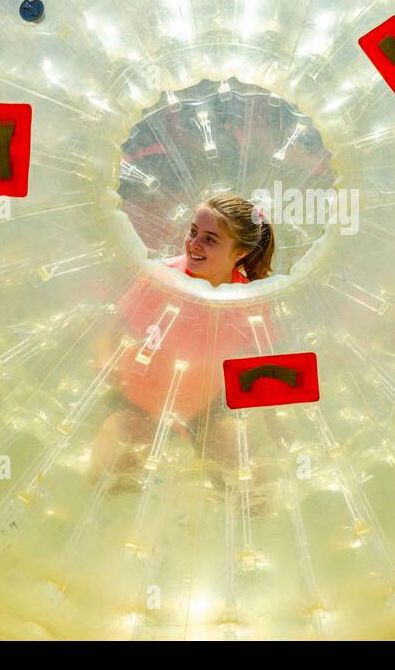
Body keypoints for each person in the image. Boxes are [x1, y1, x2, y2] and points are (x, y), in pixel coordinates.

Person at [90, 194, 275, 490]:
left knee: (253, 485)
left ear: (239, 253)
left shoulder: (249, 299)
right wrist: (104, 360)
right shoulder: (163, 278)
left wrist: (275, 424)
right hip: (141, 396)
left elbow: (263, 365)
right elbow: (115, 324)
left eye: (210, 240)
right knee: (106, 475)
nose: (194, 244)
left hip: (206, 404)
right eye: (192, 232)